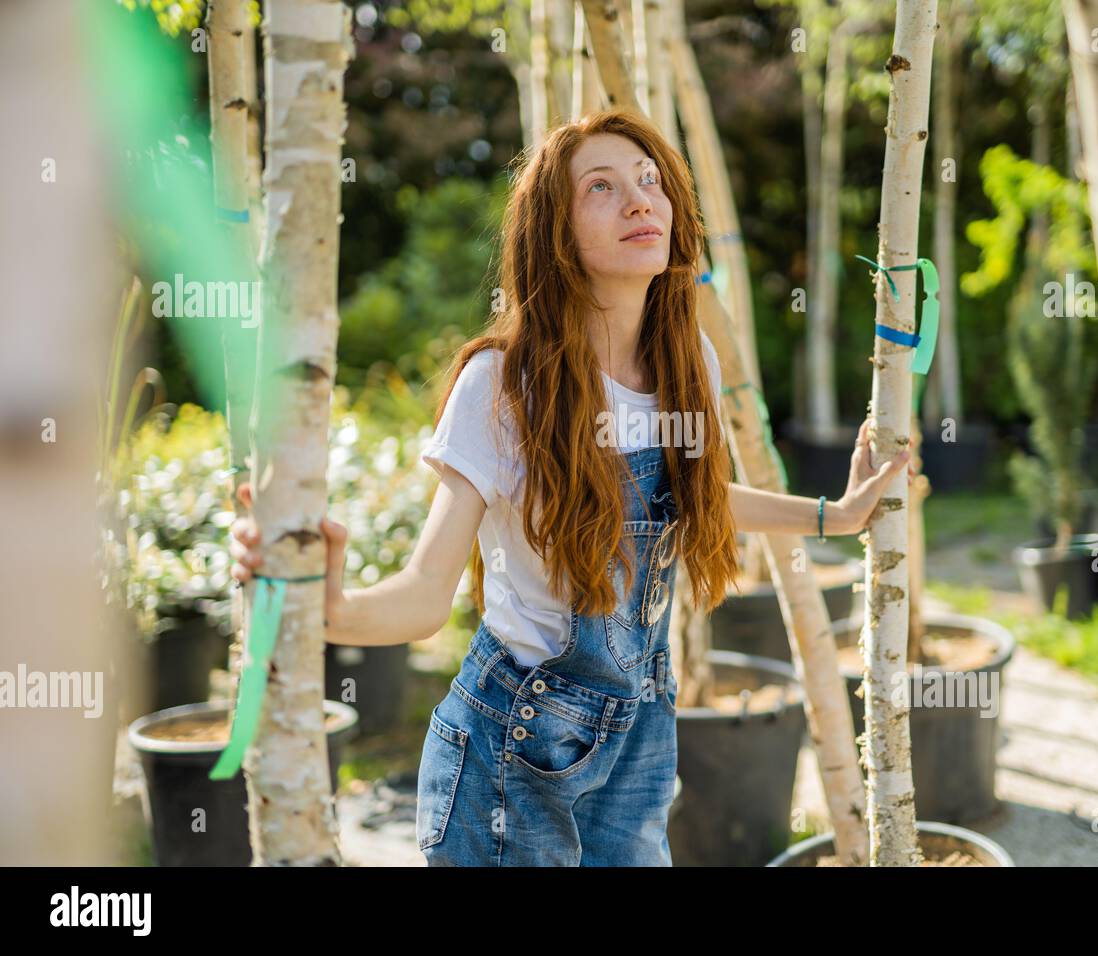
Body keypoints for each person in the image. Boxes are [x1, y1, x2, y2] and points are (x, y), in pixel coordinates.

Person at [229, 108, 913, 866]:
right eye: (602, 186)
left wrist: (837, 515)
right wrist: (328, 608)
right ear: (555, 232)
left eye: (650, 181)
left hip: (640, 736)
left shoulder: (691, 366)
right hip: (508, 750)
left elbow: (695, 497)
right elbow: (427, 595)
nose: (639, 200)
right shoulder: (503, 386)